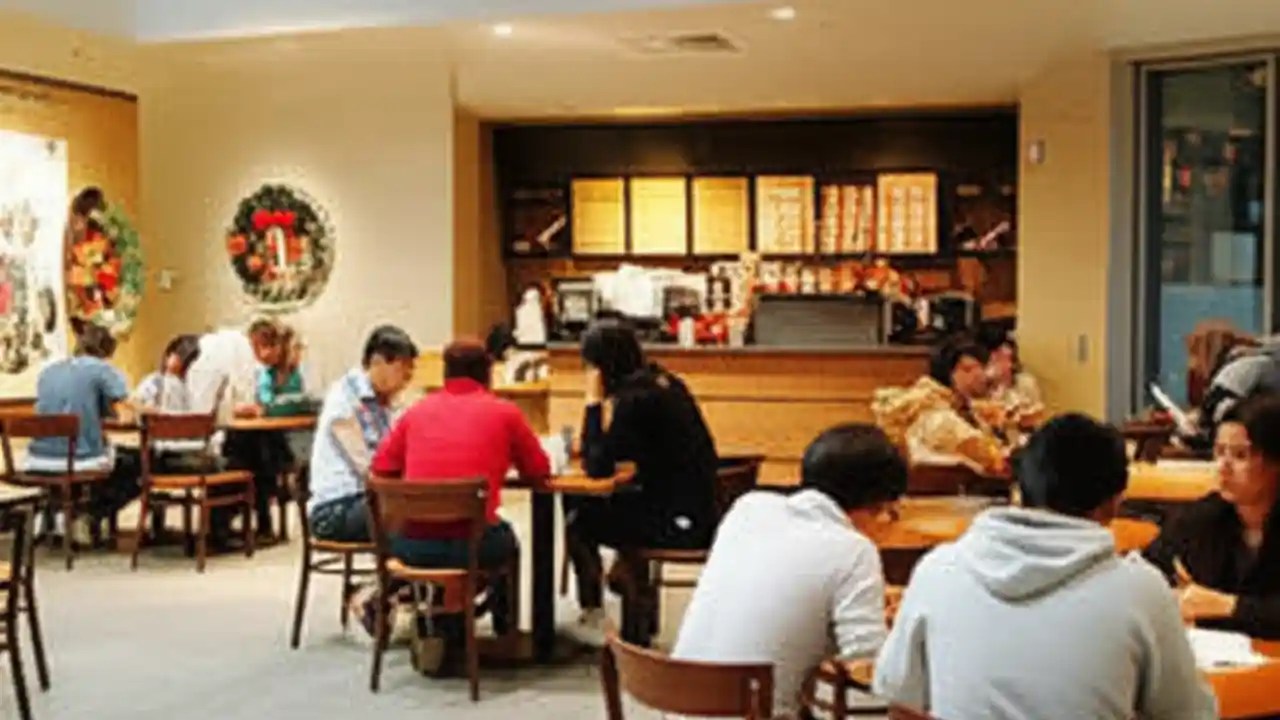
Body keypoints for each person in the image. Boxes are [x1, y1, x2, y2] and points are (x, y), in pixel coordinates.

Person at [874, 414, 1216, 720]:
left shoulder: (939, 571)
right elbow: (1189, 712)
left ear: (1020, 489)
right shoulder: (1141, 591)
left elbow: (901, 700)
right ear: (1115, 501)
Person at [672, 424, 906, 716]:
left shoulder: (748, 508)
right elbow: (869, 662)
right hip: (754, 711)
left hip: (675, 702)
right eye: (889, 511)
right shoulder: (854, 549)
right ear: (875, 503)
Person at [369, 339, 550, 638]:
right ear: (487, 373)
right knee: (507, 543)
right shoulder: (505, 413)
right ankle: (505, 632)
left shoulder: (416, 412)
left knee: (456, 538)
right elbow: (539, 471)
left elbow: (381, 468)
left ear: (446, 373)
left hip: (413, 545)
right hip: (474, 544)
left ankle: (446, 610)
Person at [565, 318, 718, 646]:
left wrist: (592, 403)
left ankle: (594, 610)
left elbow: (597, 467)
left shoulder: (634, 401)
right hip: (700, 510)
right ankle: (632, 590)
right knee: (592, 505)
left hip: (673, 524)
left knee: (577, 517)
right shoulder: (666, 383)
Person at [1144, 394, 1280, 639]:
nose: (1223, 467)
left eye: (1240, 455)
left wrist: (1228, 606)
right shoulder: (1202, 517)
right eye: (1219, 452)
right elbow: (1145, 571)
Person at [308, 325, 419, 544]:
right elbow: (370, 468)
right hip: (336, 509)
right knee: (415, 518)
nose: (408, 377)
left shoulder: (386, 402)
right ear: (377, 362)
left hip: (368, 501)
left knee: (429, 511)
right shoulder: (344, 400)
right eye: (403, 368)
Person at [27, 324, 137, 535]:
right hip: (79, 460)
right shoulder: (102, 369)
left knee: (83, 450)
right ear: (107, 351)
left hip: (37, 459)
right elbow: (126, 416)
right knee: (134, 464)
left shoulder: (48, 372)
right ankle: (88, 514)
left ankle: (58, 511)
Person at [186, 318, 288, 540]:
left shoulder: (220, 346)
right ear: (262, 344)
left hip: (193, 436)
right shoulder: (240, 355)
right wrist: (248, 409)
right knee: (258, 450)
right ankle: (247, 520)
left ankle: (243, 521)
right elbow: (229, 408)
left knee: (261, 446)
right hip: (206, 444)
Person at [871, 336, 1007, 473]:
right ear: (963, 369)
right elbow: (994, 462)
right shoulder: (940, 418)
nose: (987, 376)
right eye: (982, 367)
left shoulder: (947, 405)